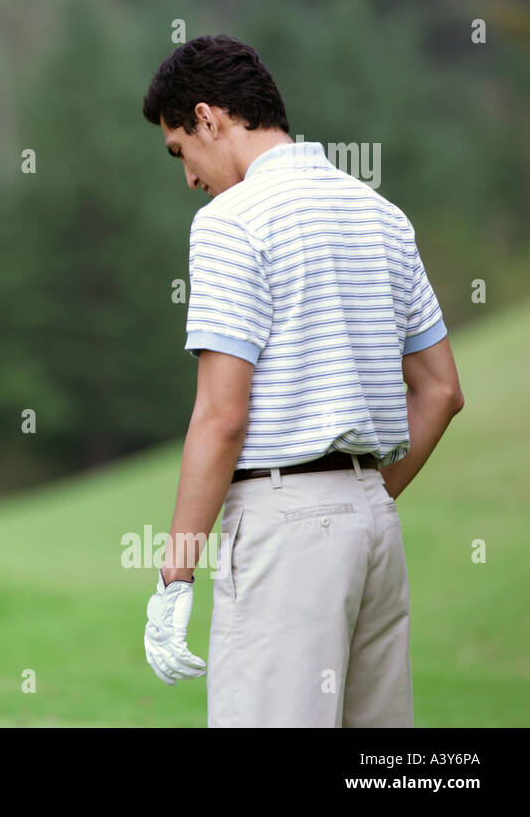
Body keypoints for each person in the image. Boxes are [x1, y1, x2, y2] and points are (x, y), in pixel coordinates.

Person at [138, 37, 464, 727]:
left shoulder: (228, 223)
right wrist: (361, 493)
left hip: (285, 532)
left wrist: (175, 575)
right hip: (376, 531)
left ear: (208, 118)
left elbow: (221, 418)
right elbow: (440, 391)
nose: (189, 178)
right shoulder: (382, 216)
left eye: (179, 152)